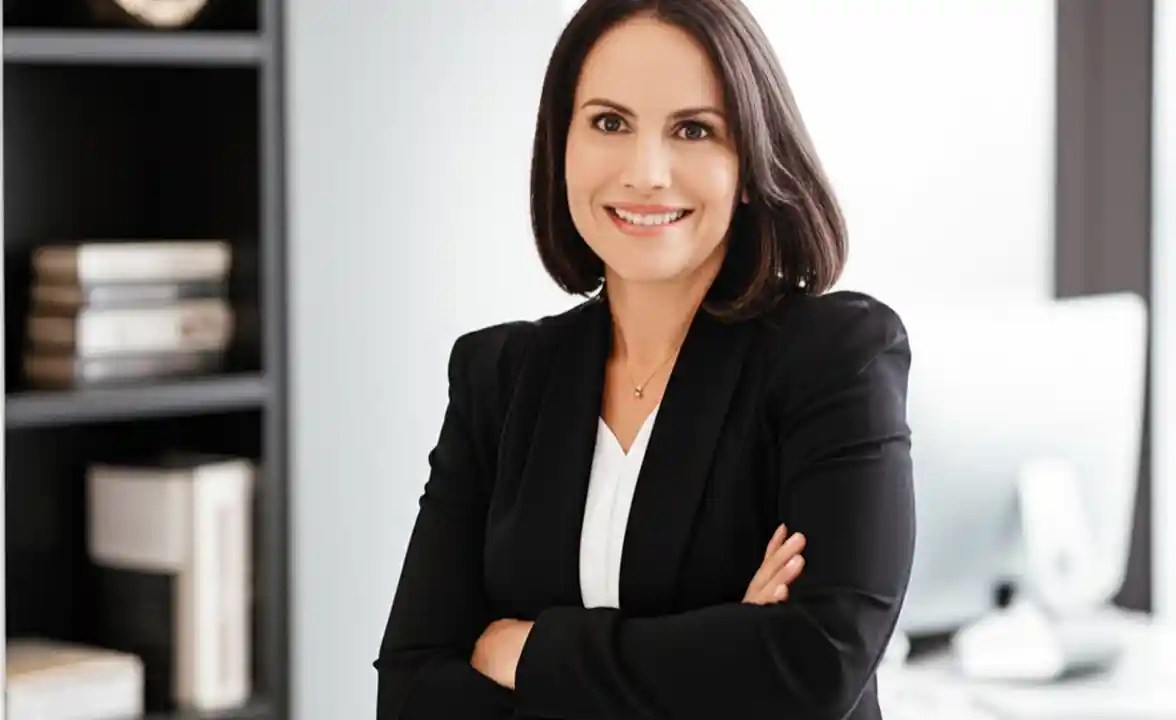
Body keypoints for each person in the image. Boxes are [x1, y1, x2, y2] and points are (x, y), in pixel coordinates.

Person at [374, 1, 915, 718]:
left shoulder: (833, 358)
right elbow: (413, 694)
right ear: (560, 144)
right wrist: (721, 655)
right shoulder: (498, 377)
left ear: (750, 162)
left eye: (694, 130)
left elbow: (812, 670)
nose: (646, 172)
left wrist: (526, 653)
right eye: (609, 123)